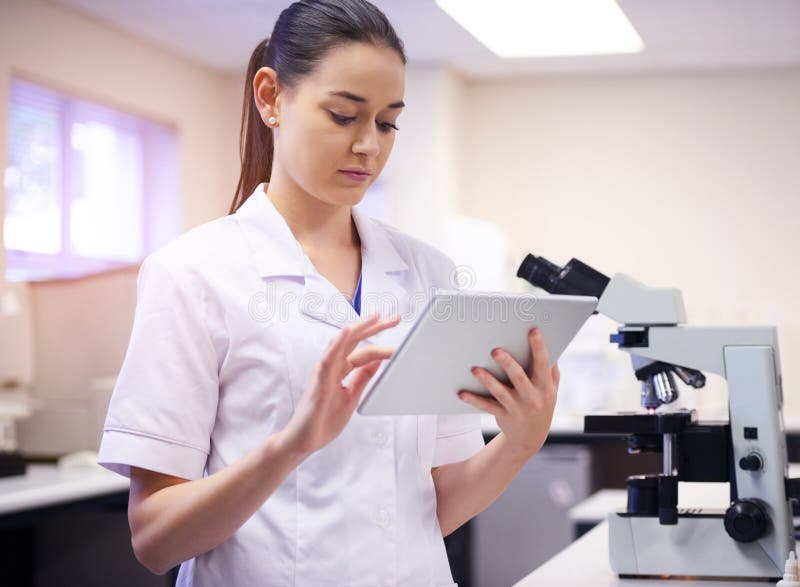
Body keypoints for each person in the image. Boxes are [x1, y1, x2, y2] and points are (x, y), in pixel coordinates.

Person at [98, 1, 561, 585]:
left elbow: (433, 508)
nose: (370, 145)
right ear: (271, 98)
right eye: (344, 115)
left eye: (388, 122)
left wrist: (520, 442)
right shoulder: (192, 273)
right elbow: (155, 540)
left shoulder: (430, 275)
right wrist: (291, 445)